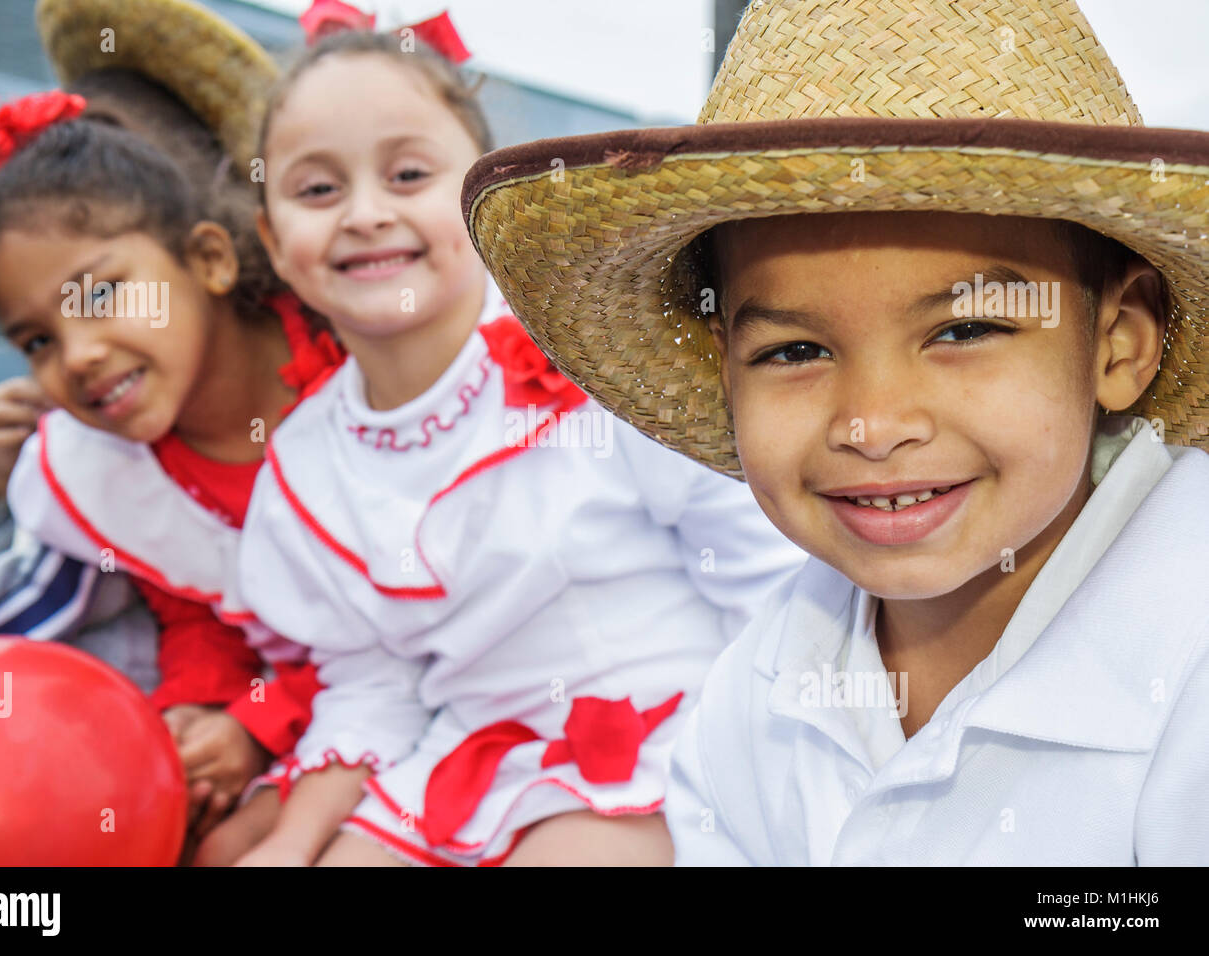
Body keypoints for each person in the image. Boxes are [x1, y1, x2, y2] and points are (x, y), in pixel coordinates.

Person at [462, 0, 1209, 864]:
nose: (873, 424)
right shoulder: (752, 698)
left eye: (964, 331)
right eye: (795, 350)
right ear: (724, 367)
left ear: (1121, 341)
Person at [231, 4, 806, 867]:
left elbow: (765, 579)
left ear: (478, 196)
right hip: (468, 759)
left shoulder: (594, 367)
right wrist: (292, 843)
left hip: (659, 739)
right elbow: (375, 684)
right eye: (318, 189)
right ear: (275, 240)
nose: (363, 213)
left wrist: (781, 768)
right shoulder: (307, 463)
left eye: (408, 173)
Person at [0, 83, 336, 861]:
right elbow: (200, 615)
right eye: (36, 341)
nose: (79, 355)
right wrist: (198, 716)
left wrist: (258, 722)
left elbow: (401, 629)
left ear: (209, 258)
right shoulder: (129, 473)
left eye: (99, 293)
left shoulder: (356, 377)